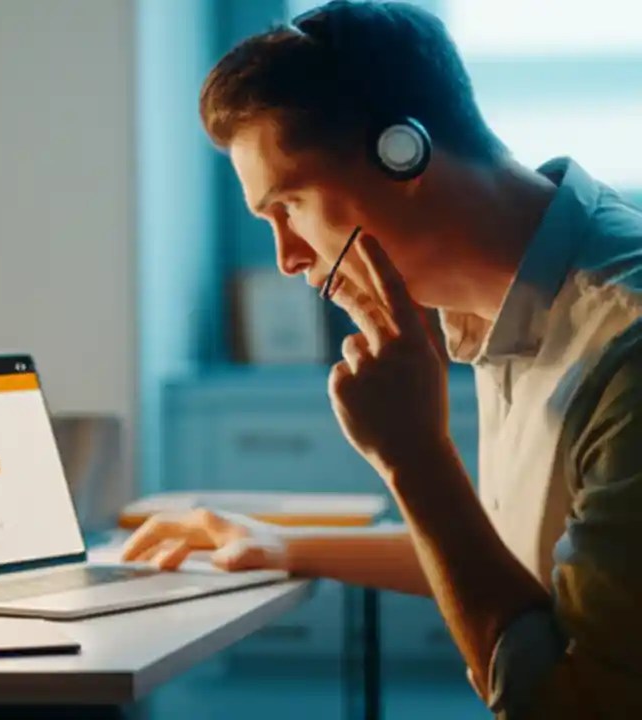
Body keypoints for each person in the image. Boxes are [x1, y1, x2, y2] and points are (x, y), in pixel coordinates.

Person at [121, 2, 642, 717]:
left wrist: (413, 457)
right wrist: (283, 544)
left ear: (405, 152)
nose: (287, 259)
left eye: (290, 207)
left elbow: (567, 703)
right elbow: (521, 558)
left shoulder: (626, 352)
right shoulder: (515, 302)